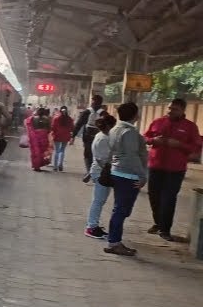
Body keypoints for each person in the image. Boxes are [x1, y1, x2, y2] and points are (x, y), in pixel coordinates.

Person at [143, 98, 202, 241]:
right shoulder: (158, 122)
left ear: (182, 111)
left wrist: (179, 145)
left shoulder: (190, 127)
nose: (170, 111)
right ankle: (158, 222)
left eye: (174, 109)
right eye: (169, 108)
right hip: (155, 165)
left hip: (175, 169)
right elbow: (146, 136)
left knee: (168, 198)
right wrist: (152, 140)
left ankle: (165, 229)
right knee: (154, 195)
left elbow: (196, 146)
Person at [105, 102, 147, 257]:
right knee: (121, 210)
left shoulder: (115, 129)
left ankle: (114, 241)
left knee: (120, 209)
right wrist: (142, 175)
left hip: (118, 172)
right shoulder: (128, 132)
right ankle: (114, 242)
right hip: (128, 175)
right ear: (135, 115)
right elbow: (132, 156)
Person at [84, 113, 117, 239]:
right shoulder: (103, 139)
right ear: (109, 126)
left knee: (99, 201)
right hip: (101, 173)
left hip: (101, 172)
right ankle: (91, 227)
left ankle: (93, 225)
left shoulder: (103, 136)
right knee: (98, 201)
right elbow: (102, 160)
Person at [73, 94, 105, 176]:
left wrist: (73, 135)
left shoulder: (87, 112)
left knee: (87, 153)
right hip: (100, 137)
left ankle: (89, 171)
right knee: (98, 153)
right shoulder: (104, 113)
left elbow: (79, 124)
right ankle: (95, 170)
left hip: (87, 137)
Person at [50, 106, 75, 171]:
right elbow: (72, 128)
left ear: (60, 111)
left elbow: (52, 127)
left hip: (57, 136)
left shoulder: (56, 119)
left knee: (57, 151)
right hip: (66, 136)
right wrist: (72, 136)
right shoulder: (70, 119)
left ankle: (55, 167)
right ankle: (60, 165)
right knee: (62, 150)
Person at [28, 107, 53, 171]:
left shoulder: (33, 118)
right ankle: (41, 163)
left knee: (36, 151)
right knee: (42, 151)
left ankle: (36, 165)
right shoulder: (47, 119)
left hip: (35, 136)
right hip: (44, 136)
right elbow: (49, 128)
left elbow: (31, 127)